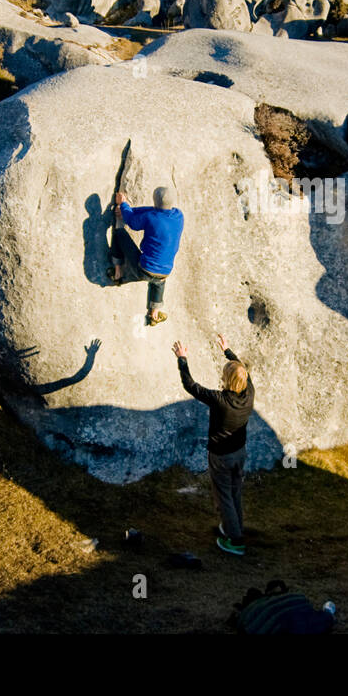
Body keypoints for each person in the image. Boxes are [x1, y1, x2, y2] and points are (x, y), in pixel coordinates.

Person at [172, 334, 254, 556]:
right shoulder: (249, 393)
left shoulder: (220, 400)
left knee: (224, 496)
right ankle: (234, 527)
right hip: (239, 452)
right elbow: (243, 370)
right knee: (235, 491)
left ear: (226, 379)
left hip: (221, 456)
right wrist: (227, 351)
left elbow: (190, 386)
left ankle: (235, 540)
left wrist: (182, 359)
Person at [109, 185, 183, 326]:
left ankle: (118, 271)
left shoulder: (151, 217)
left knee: (119, 233)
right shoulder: (179, 215)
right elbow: (154, 211)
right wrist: (129, 211)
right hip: (165, 272)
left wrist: (123, 206)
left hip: (142, 269)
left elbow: (132, 222)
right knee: (159, 281)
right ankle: (154, 313)